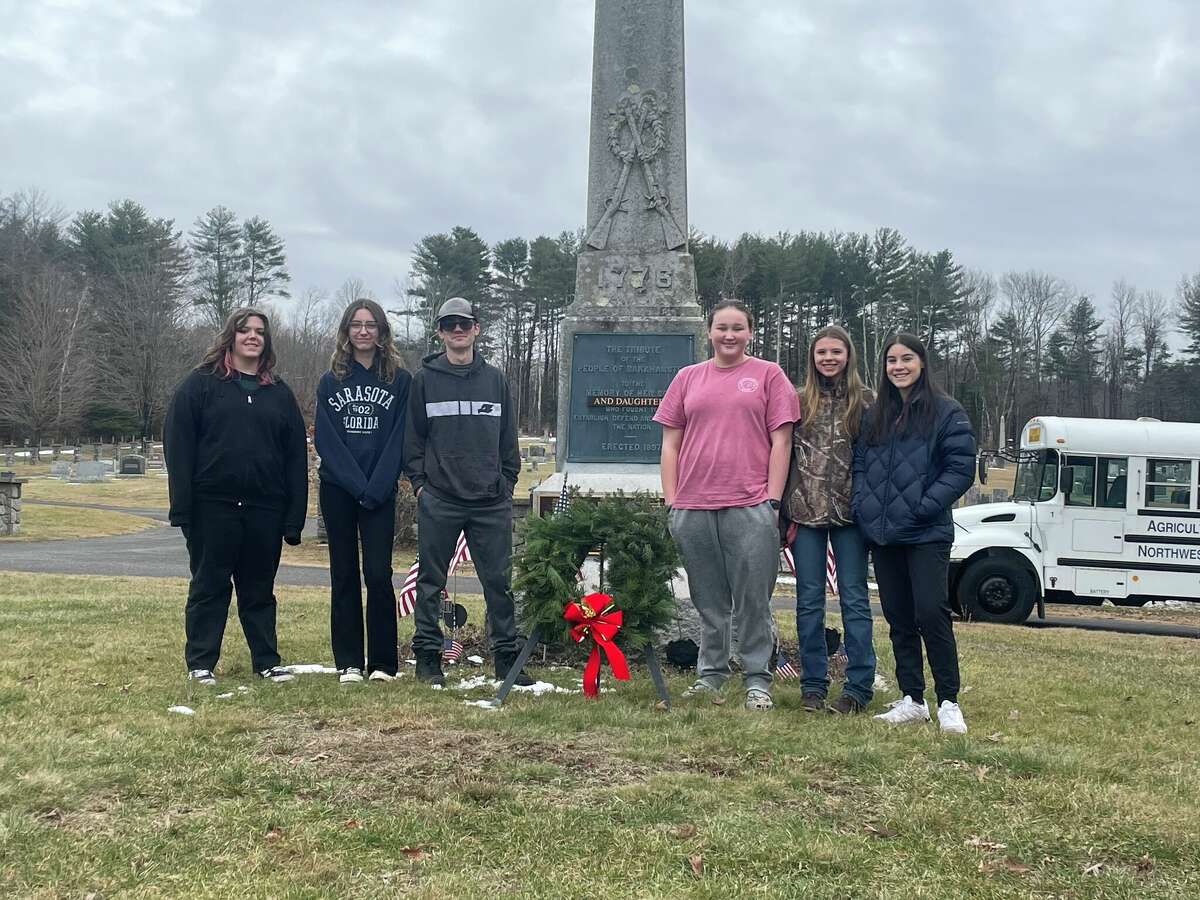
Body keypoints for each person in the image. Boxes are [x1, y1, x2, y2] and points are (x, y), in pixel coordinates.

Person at [655, 299, 800, 711]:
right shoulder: (687, 378)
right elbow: (670, 443)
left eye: (738, 328)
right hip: (693, 505)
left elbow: (782, 441)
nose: (729, 335)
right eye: (722, 327)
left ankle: (758, 678)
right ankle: (711, 674)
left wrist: (772, 501)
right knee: (709, 599)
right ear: (710, 332)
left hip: (751, 503)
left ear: (750, 332)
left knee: (753, 599)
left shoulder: (768, 376)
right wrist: (672, 500)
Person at [164, 307, 308, 686]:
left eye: (260, 331)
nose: (252, 336)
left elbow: (295, 458)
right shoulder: (199, 386)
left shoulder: (278, 393)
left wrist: (294, 518)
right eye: (245, 330)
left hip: (265, 509)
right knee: (209, 587)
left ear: (267, 341)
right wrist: (183, 509)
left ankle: (266, 660)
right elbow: (178, 449)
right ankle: (200, 663)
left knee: (259, 590)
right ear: (231, 336)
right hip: (213, 507)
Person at [852, 333, 976, 733]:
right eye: (891, 360)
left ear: (922, 363)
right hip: (885, 534)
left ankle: (948, 701)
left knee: (930, 613)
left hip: (926, 533)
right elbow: (860, 465)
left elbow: (959, 469)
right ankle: (912, 698)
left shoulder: (946, 412)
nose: (899, 366)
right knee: (899, 616)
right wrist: (863, 507)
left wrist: (922, 508)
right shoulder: (876, 414)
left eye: (907, 359)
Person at [403, 297, 530, 688]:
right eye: (449, 324)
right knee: (430, 581)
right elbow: (413, 440)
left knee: (499, 583)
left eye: (465, 323)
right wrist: (422, 486)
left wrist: (506, 483)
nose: (458, 330)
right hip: (440, 497)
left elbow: (509, 439)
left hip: (490, 501)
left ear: (476, 328)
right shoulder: (423, 380)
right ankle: (428, 658)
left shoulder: (495, 379)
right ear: (440, 332)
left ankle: (506, 660)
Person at [315, 298, 412, 685]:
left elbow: (399, 438)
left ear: (382, 331)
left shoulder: (399, 381)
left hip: (380, 492)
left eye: (371, 324)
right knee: (344, 574)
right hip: (339, 490)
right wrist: (357, 485)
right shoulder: (330, 380)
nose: (363, 331)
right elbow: (326, 439)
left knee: (377, 573)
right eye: (356, 325)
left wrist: (377, 486)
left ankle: (384, 663)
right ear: (346, 332)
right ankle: (349, 662)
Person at [781, 325, 876, 714]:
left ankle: (858, 686)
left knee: (854, 600)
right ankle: (813, 686)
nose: (829, 358)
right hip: (805, 513)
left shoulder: (867, 402)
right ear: (812, 358)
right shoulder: (798, 400)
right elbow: (784, 454)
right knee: (808, 601)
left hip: (851, 516)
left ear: (848, 355)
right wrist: (781, 507)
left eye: (836, 352)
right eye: (822, 352)